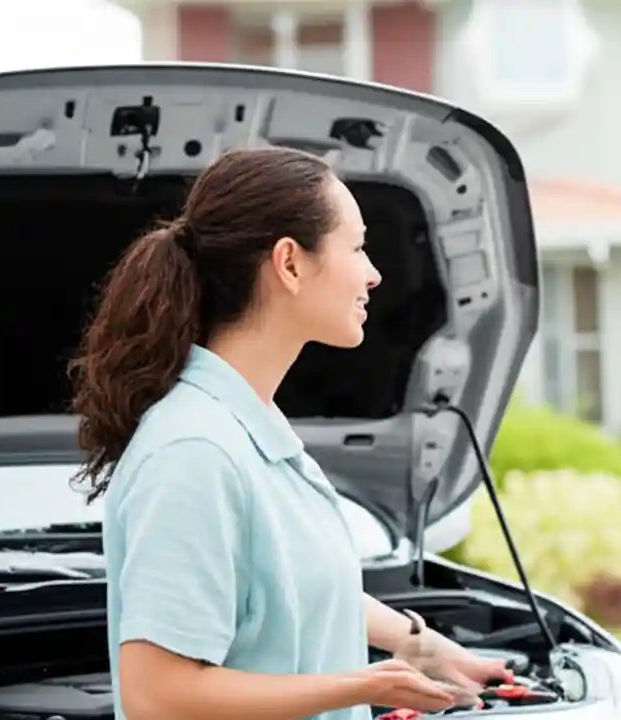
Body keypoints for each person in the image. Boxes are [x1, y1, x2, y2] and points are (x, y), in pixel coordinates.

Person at [68, 147, 511, 720]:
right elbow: (158, 695)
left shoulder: (248, 427)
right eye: (356, 247)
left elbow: (291, 583)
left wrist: (417, 645)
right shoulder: (194, 453)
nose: (374, 273)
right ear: (290, 263)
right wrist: (361, 685)